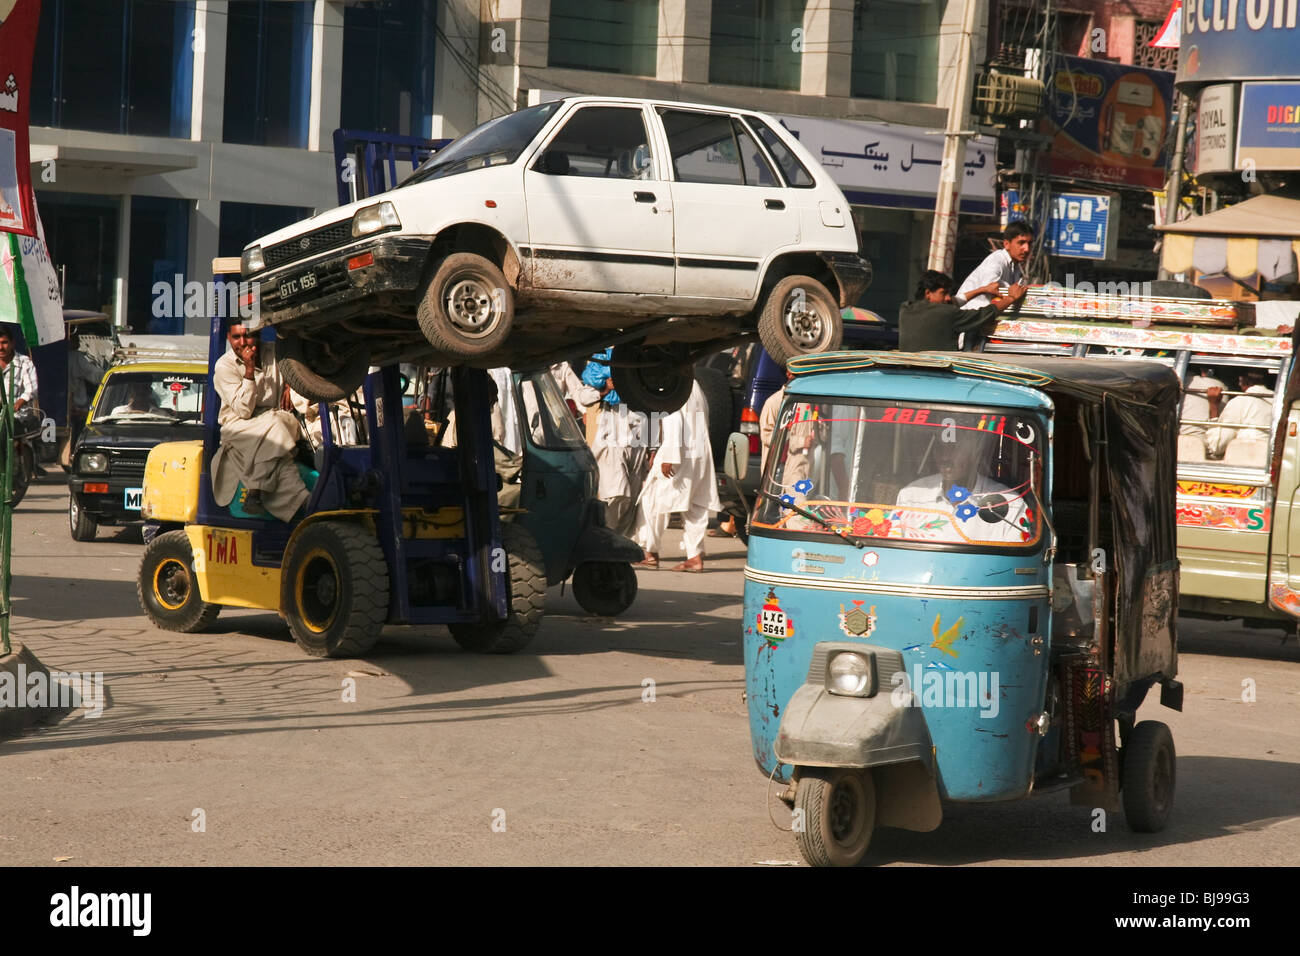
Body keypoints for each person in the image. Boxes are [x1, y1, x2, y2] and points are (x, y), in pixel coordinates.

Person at [211, 324, 309, 521]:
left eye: (247, 336)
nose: (242, 342)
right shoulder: (224, 366)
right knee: (279, 438)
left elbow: (295, 368)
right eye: (236, 337)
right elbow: (244, 411)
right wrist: (249, 370)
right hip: (239, 423)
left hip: (276, 417)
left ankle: (256, 488)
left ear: (257, 336)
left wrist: (291, 383)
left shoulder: (274, 353)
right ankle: (304, 503)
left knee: (280, 426)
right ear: (229, 338)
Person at [632, 380, 721, 571]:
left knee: (652, 500)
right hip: (700, 453)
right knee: (695, 506)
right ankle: (695, 557)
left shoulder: (673, 385)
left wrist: (670, 456)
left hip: (679, 452)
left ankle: (649, 552)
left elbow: (674, 419)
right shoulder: (697, 387)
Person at [896, 428, 1028, 542]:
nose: (945, 458)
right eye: (940, 449)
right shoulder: (911, 496)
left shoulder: (1010, 504)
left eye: (954, 449)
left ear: (975, 453)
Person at [581, 349, 648, 538]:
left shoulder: (641, 382)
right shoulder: (601, 374)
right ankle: (605, 533)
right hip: (611, 443)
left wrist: (653, 448)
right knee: (618, 492)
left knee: (632, 500)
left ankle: (617, 541)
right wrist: (606, 390)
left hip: (637, 444)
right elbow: (584, 397)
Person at [898, 270, 1028, 352]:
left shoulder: (906, 308)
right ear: (928, 293)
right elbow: (983, 314)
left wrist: (982, 290)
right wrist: (1011, 298)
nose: (948, 298)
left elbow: (953, 301)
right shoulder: (946, 314)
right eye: (943, 293)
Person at [954, 220, 1034, 310]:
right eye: (1021, 243)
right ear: (1007, 244)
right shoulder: (996, 260)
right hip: (971, 314)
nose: (1026, 249)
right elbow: (991, 284)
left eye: (1029, 244)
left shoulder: (1015, 267)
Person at [1206, 370, 1274, 459]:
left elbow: (1217, 446)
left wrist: (1213, 406)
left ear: (1241, 380)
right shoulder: (1278, 401)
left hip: (1244, 458)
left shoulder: (1239, 401)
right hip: (1269, 459)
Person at [0, 327, 41, 436]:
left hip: (17, 419)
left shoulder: (25, 362)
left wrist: (19, 403)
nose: (0, 347)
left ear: (12, 343)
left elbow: (31, 389)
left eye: (4, 343)